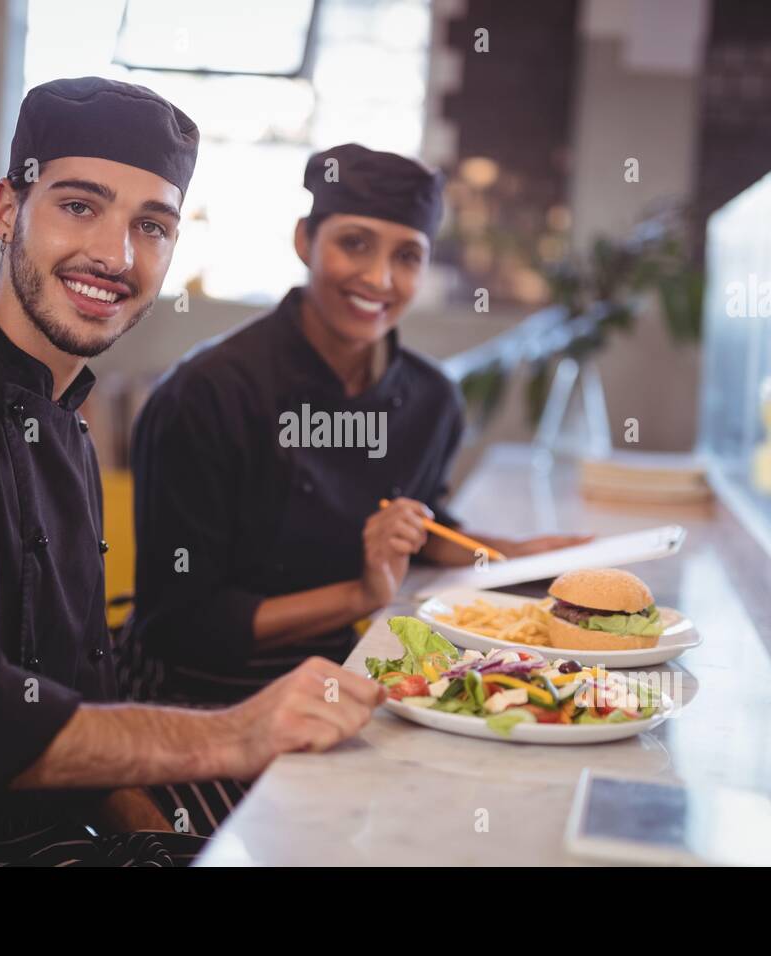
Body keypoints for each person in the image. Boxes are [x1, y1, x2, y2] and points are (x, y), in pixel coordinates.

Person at [0, 78, 383, 867]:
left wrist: (168, 841)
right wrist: (231, 734)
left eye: (151, 225)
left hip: (34, 836)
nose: (115, 256)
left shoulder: (69, 428)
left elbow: (77, 707)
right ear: (10, 211)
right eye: (80, 206)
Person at [123, 146, 590, 832]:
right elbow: (183, 624)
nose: (379, 277)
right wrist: (361, 596)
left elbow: (414, 528)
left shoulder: (432, 399)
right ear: (305, 240)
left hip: (345, 666)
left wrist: (518, 553)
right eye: (354, 244)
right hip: (203, 699)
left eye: (407, 255)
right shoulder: (208, 395)